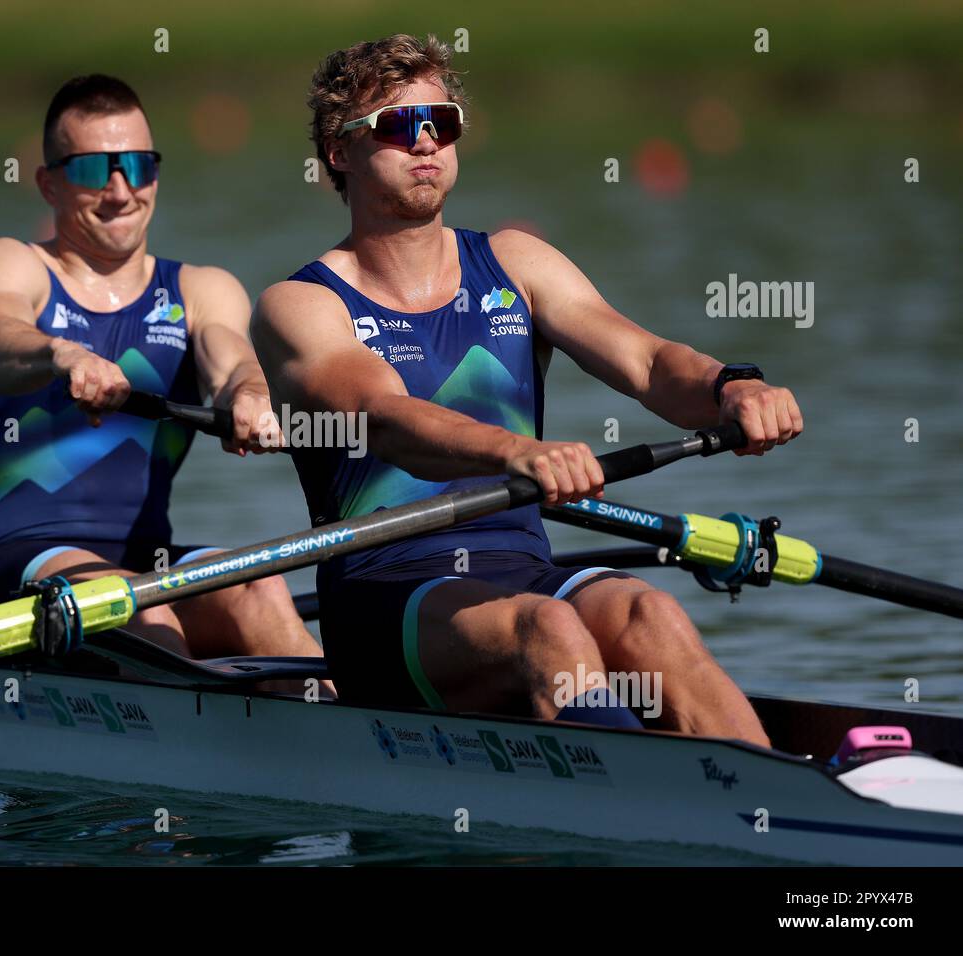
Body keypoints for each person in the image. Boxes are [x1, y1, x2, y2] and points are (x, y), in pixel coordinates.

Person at [252, 36, 802, 741]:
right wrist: (514, 450)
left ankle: (769, 801)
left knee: (649, 614)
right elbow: (384, 418)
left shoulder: (514, 261)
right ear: (338, 151)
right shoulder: (302, 305)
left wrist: (731, 386)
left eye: (441, 122)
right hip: (385, 599)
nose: (425, 141)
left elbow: (648, 363)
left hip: (522, 570)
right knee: (550, 633)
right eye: (395, 125)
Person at [0, 74, 322, 669]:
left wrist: (250, 396)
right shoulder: (11, 266)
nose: (121, 191)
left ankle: (331, 728)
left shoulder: (202, 288)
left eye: (138, 166)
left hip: (145, 566)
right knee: (142, 611)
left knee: (262, 587)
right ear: (48, 183)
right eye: (95, 170)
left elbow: (231, 365)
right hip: (15, 564)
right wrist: (62, 355)